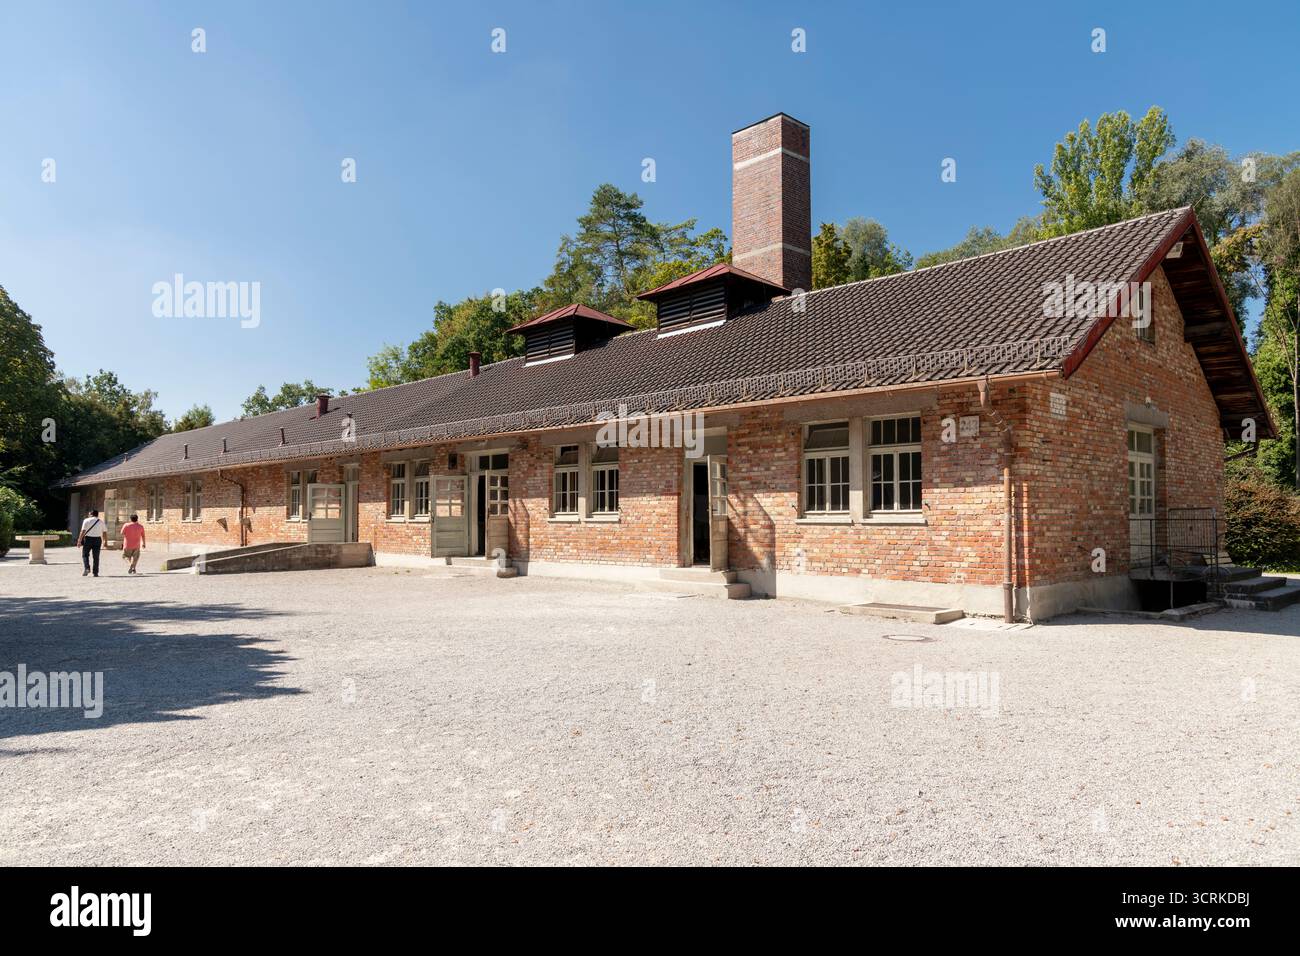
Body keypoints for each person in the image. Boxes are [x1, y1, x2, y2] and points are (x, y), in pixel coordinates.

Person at [77, 509, 107, 577]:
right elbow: (104, 532)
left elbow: (83, 531)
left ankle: (87, 568)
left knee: (85, 555)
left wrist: (79, 540)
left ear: (91, 514)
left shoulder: (86, 520)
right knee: (96, 557)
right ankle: (95, 572)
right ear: (97, 514)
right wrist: (105, 542)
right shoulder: (101, 521)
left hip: (88, 539)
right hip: (97, 539)